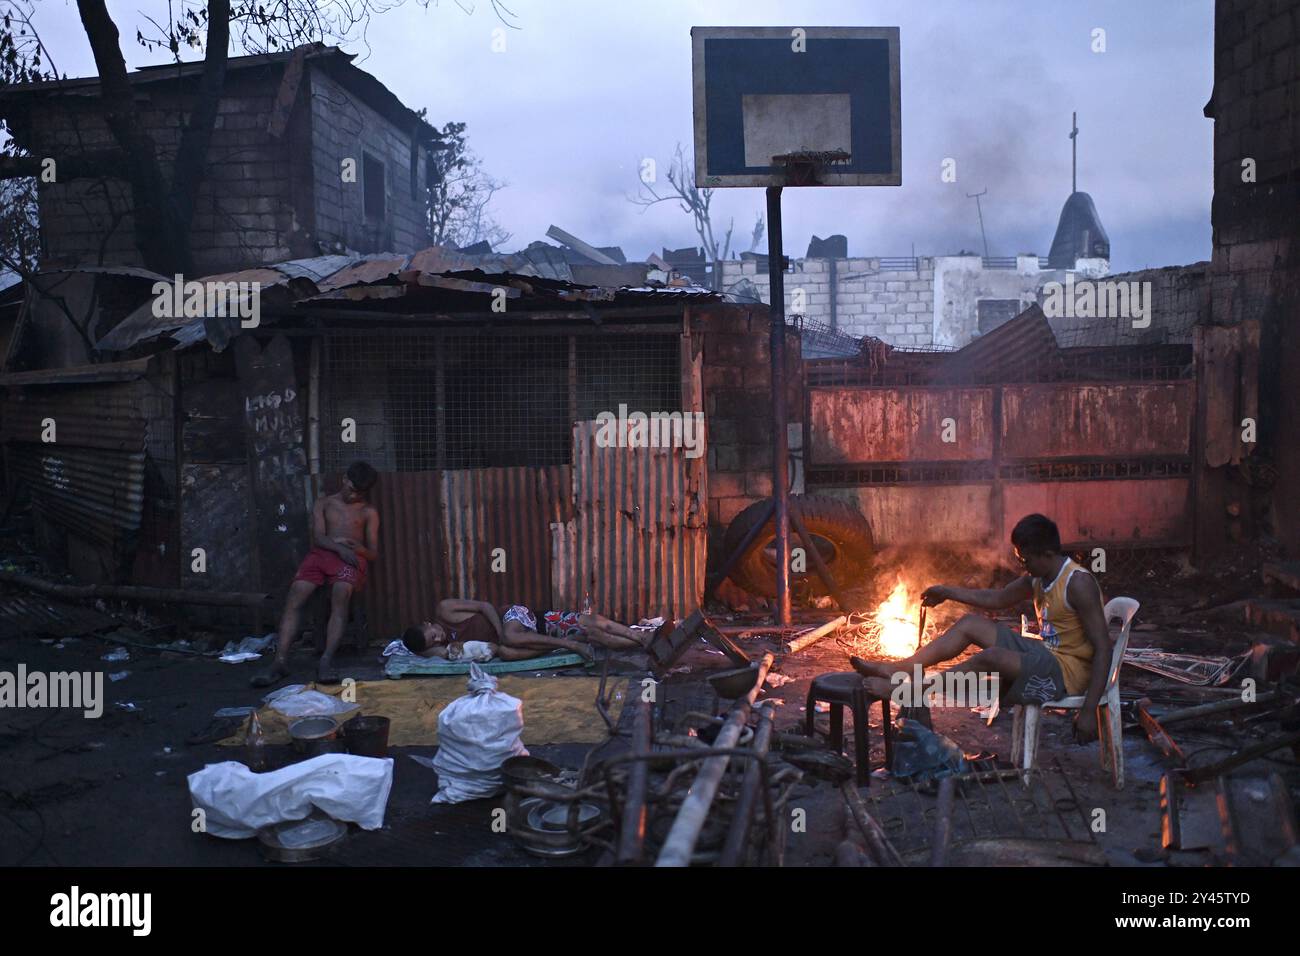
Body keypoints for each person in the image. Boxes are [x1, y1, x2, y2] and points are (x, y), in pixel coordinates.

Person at [849, 513, 1111, 743]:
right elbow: (996, 599)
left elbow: (1103, 648)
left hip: (1068, 674)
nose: (1022, 565)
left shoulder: (1078, 584)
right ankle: (904, 667)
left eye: (1026, 560)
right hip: (1046, 655)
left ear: (1048, 555)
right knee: (971, 624)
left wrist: (1088, 710)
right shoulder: (1037, 576)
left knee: (991, 657)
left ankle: (904, 691)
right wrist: (947, 592)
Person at [252, 461, 380, 687]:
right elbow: (319, 538)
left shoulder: (368, 511)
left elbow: (372, 553)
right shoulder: (324, 503)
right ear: (344, 479)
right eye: (352, 489)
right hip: (322, 554)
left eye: (360, 492)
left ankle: (326, 660)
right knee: (297, 593)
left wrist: (355, 548)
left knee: (341, 593)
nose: (353, 495)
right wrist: (338, 547)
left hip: (351, 558)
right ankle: (279, 662)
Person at [401, 599, 592, 662]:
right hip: (509, 639)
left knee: (508, 639)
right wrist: (422, 647)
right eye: (432, 641)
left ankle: (572, 644)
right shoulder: (436, 645)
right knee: (505, 653)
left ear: (427, 623)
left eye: (433, 634)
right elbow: (433, 652)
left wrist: (500, 632)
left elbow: (485, 606)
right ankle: (566, 644)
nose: (437, 639)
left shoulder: (445, 609)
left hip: (510, 615)